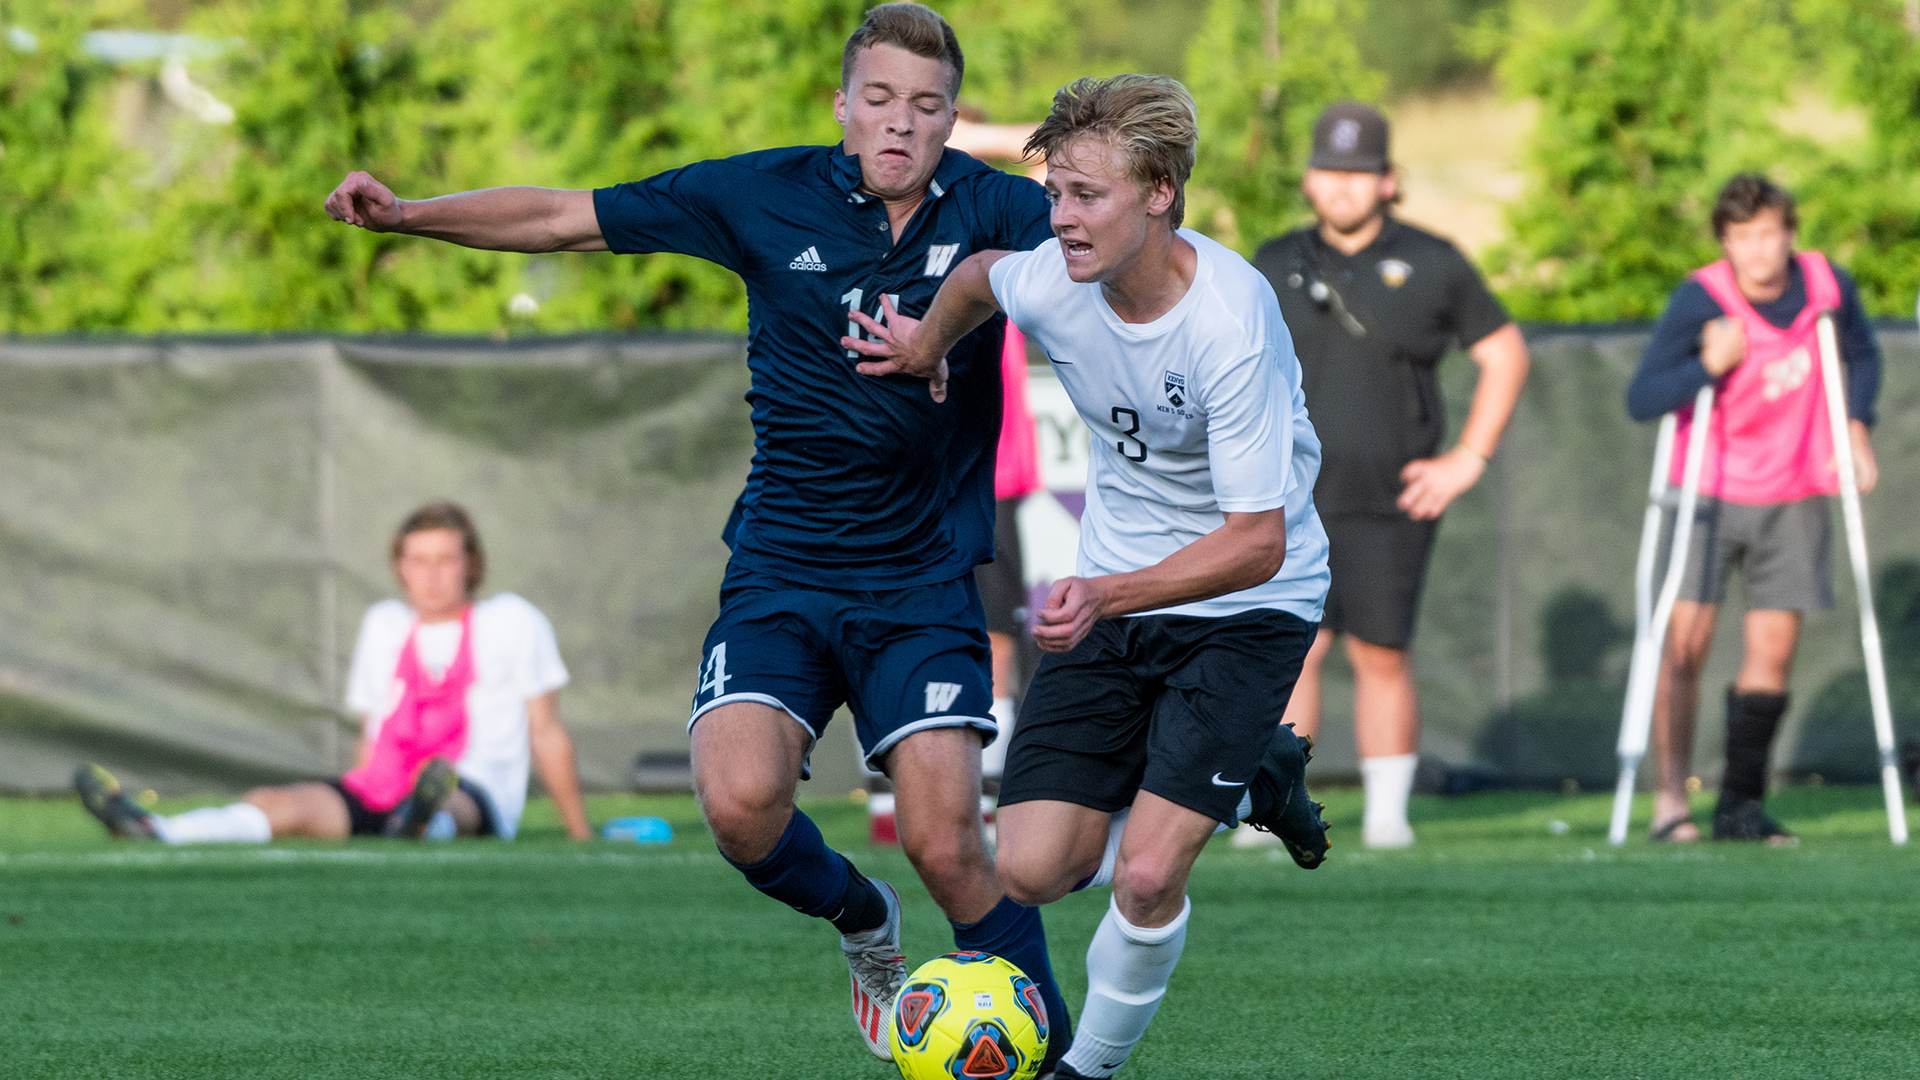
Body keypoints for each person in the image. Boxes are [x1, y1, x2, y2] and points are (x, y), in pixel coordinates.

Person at [320, 6, 1136, 1067]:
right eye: (880, 100)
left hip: (922, 577)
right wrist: (407, 215)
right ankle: (861, 918)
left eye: (926, 107)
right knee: (741, 806)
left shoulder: (1001, 210)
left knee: (950, 847)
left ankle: (1063, 1061)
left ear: (952, 122)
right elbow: (565, 217)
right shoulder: (760, 193)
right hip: (783, 572)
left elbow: (1114, 259)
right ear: (843, 106)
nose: (900, 124)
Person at [846, 73, 1331, 1079]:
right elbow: (982, 272)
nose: (1061, 219)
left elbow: (1258, 541)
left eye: (1088, 196)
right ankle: (1245, 783)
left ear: (1162, 192)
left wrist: (1103, 592)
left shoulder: (1229, 324)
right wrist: (929, 343)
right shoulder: (1055, 279)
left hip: (1245, 603)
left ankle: (1088, 1068)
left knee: (1147, 874)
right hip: (1114, 590)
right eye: (1056, 191)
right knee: (1027, 866)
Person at [1247, 101, 1530, 849]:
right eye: (1330, 171)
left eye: (1359, 172)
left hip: (1391, 499)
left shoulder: (1435, 261)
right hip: (1285, 498)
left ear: (1389, 181)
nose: (1343, 187)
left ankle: (1385, 815)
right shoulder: (1272, 262)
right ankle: (1270, 806)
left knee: (1381, 652)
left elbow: (1505, 353)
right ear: (1309, 179)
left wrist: (1466, 459)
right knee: (1288, 647)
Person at [75, 502, 590, 844]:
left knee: (445, 801)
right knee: (281, 802)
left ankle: (419, 820)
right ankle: (158, 828)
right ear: (400, 567)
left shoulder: (513, 620)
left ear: (470, 565)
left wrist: (579, 833)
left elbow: (546, 731)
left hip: (476, 789)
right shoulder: (384, 624)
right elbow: (373, 735)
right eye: (418, 560)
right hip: (386, 782)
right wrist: (355, 795)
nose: (431, 575)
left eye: (446, 560)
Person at [1626, 173, 1882, 844]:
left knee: (1773, 649)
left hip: (1794, 487)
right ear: (1725, 242)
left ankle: (1740, 803)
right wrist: (1708, 365)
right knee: (1683, 646)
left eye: (1769, 234)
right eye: (1743, 238)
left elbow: (1862, 355)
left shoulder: (1828, 287)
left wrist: (1855, 426)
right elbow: (1643, 396)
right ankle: (1670, 802)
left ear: (1789, 234)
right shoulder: (1700, 298)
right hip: (1705, 488)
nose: (1759, 251)